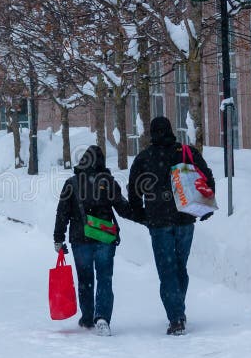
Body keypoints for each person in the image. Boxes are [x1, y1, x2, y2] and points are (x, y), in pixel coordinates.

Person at [128, 117, 215, 336]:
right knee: (179, 267)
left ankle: (176, 317)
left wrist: (142, 215)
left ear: (151, 133)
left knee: (167, 271)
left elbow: (134, 191)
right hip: (185, 218)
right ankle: (178, 309)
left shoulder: (144, 158)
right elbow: (207, 177)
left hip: (158, 222)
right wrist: (204, 207)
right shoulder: (186, 152)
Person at [53, 145, 133, 336]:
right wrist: (145, 216)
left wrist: (58, 238)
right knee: (105, 278)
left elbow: (62, 213)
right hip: (104, 237)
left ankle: (88, 317)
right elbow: (123, 208)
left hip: (80, 239)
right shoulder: (108, 182)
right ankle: (103, 317)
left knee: (85, 279)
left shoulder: (71, 183)